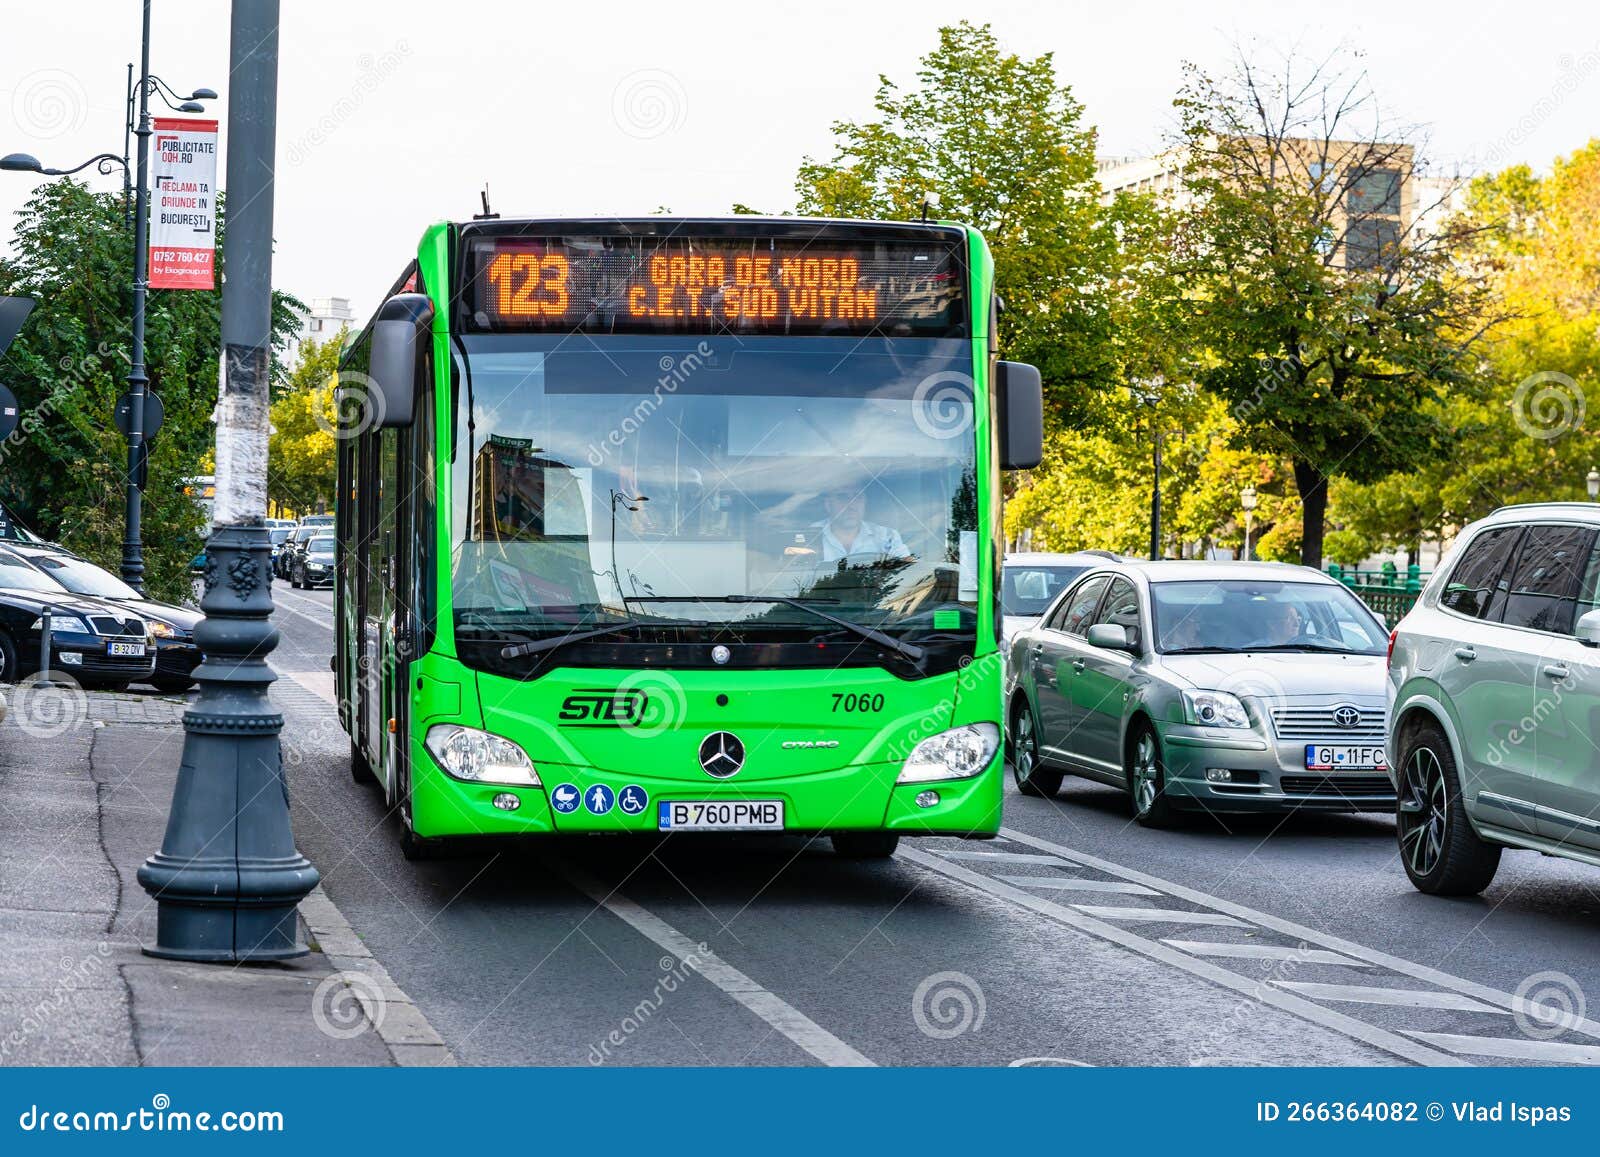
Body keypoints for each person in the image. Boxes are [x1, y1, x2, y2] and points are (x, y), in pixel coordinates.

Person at [814, 487, 910, 563]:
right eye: (843, 497)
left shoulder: (887, 536)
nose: (852, 505)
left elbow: (908, 570)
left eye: (858, 497)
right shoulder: (809, 535)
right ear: (828, 504)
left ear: (865, 502)